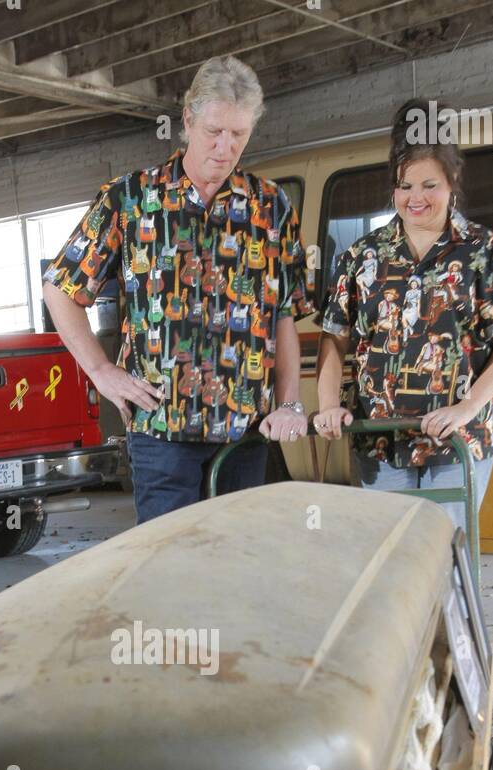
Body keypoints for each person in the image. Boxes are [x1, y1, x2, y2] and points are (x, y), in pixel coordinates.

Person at [42, 55, 315, 523]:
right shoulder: (130, 198)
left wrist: (289, 402)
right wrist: (101, 371)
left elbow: (284, 313)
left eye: (239, 134)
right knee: (170, 574)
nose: (225, 147)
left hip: (245, 432)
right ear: (187, 121)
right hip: (161, 431)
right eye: (214, 132)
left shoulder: (270, 205)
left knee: (235, 564)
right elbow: (60, 287)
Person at [315, 97, 493, 534]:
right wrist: (327, 405)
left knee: (445, 559)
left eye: (429, 185)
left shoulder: (484, 251)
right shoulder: (362, 256)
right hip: (380, 440)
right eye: (405, 186)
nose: (416, 199)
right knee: (390, 560)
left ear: (452, 181)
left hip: (456, 442)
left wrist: (468, 407)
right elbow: (334, 339)